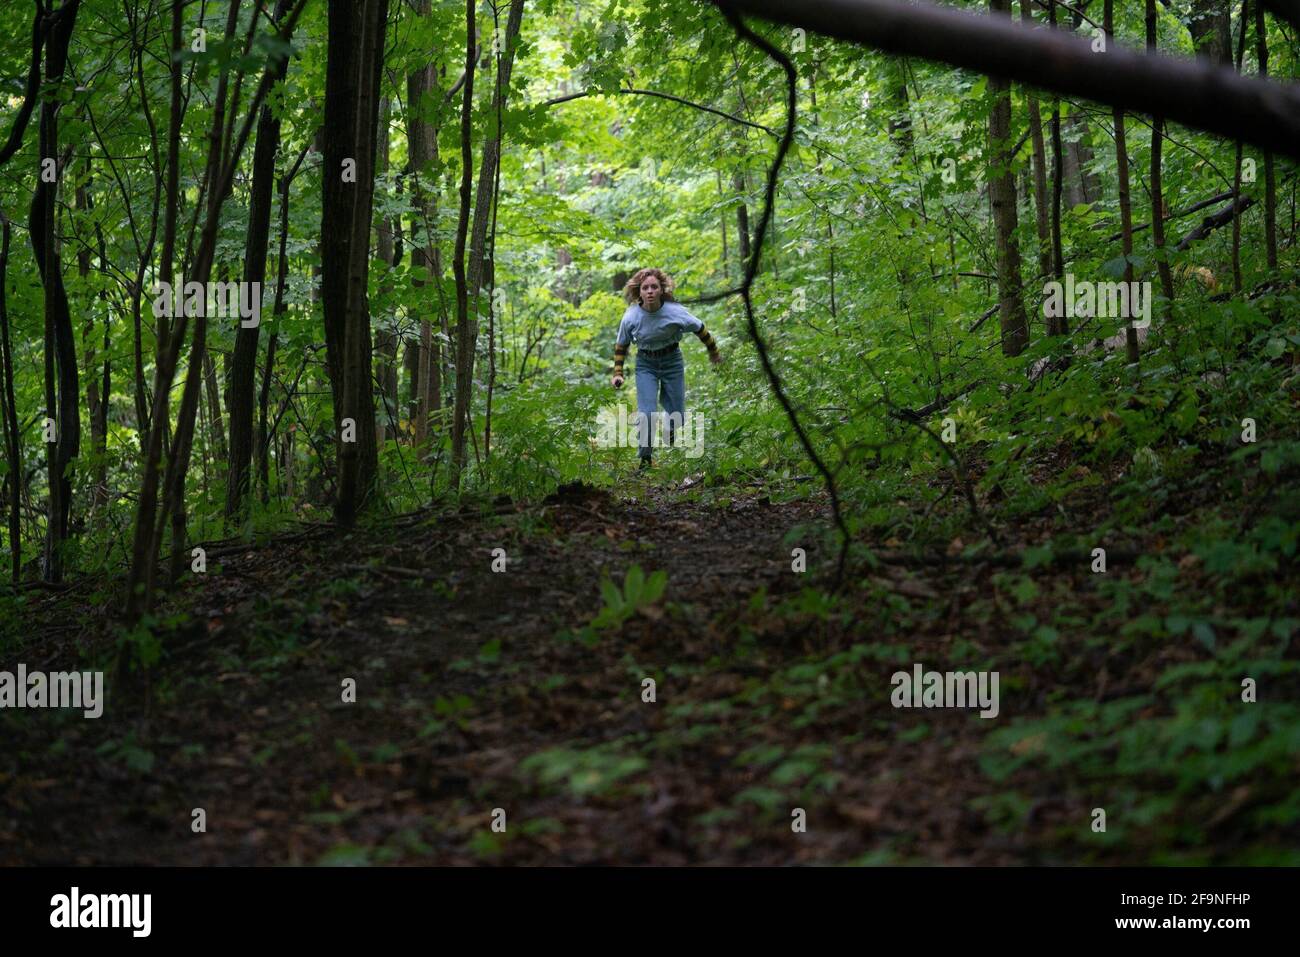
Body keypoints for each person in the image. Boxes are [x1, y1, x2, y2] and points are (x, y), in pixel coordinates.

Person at [610, 268, 721, 468]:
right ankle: (645, 460)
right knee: (646, 415)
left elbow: (700, 328)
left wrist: (714, 352)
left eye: (654, 287)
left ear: (661, 290)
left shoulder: (675, 311)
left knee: (677, 415)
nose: (650, 291)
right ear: (639, 292)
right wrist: (618, 372)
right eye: (645, 288)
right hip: (646, 364)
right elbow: (622, 344)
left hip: (672, 362)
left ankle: (670, 431)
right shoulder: (631, 316)